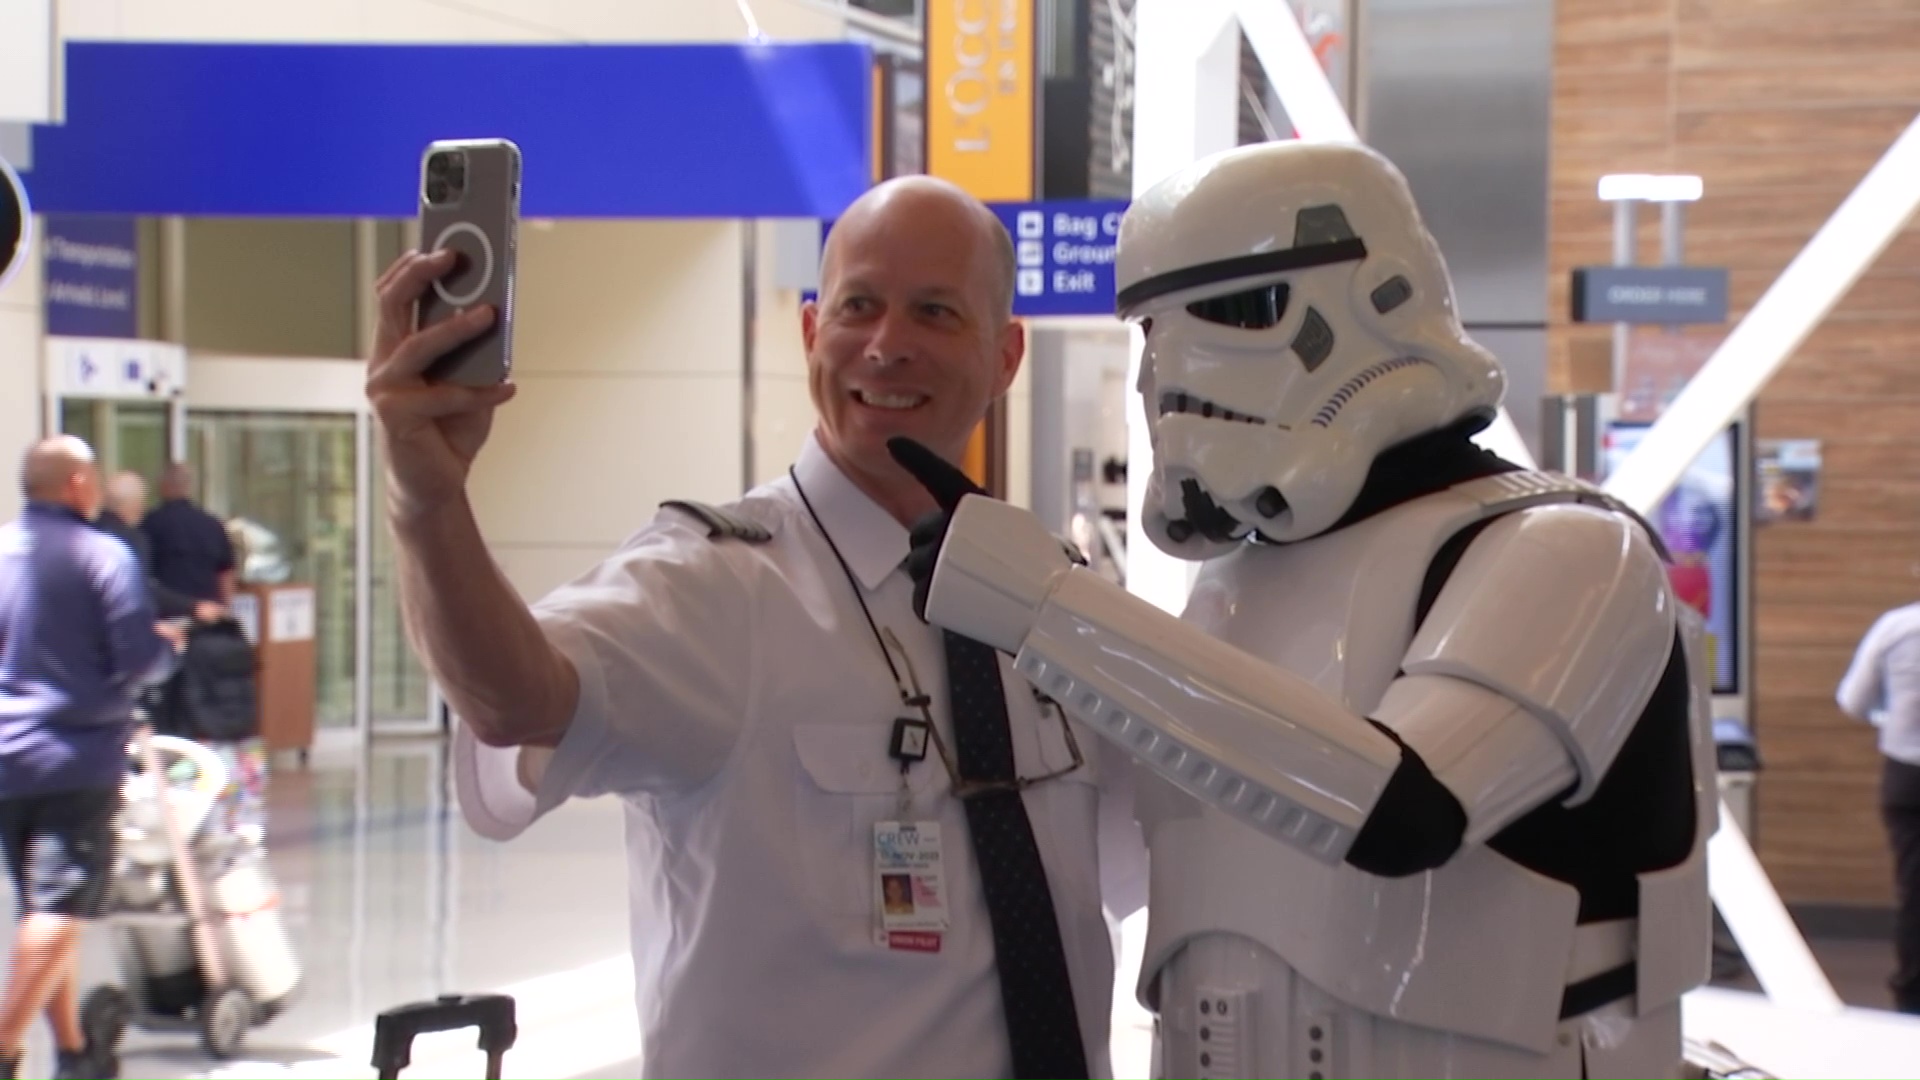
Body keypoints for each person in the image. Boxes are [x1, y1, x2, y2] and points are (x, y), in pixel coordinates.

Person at [899, 140, 1716, 1079]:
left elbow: (1405, 809)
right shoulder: (1234, 587)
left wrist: (1050, 607)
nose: (1170, 370)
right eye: (1151, 330)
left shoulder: (1568, 549)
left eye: (1237, 310)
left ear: (1383, 301)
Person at [367, 176, 1143, 1080]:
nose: (889, 346)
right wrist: (425, 500)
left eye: (935, 312)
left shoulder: (1054, 609)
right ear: (813, 332)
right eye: (860, 306)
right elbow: (515, 697)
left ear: (1006, 356)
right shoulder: (713, 590)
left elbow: (1179, 867)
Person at [0, 437, 179, 1080]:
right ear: (77, 483)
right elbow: (137, 655)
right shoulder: (102, 555)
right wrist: (168, 650)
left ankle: (75, 1054)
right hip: (76, 756)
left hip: (7, 760)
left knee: (44, 909)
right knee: (60, 907)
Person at [1837, 602, 1920, 1015]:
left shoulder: (1896, 627)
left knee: (1915, 889)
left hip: (1908, 777)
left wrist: (1887, 716)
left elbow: (1853, 701)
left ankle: (1911, 999)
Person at [92, 471, 211, 622]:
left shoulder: (86, 533)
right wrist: (192, 606)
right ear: (135, 504)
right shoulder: (132, 540)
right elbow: (140, 589)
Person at [138, 464, 235, 613]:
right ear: (189, 487)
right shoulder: (212, 525)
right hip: (207, 614)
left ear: (162, 486)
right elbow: (225, 572)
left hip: (167, 614)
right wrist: (224, 608)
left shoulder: (150, 524)